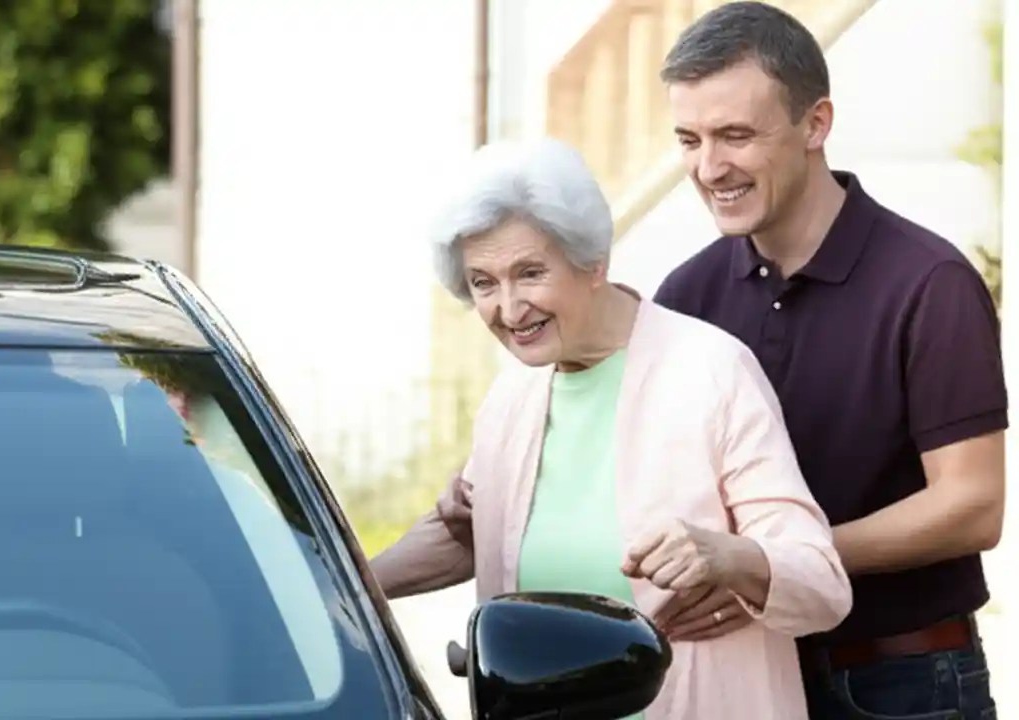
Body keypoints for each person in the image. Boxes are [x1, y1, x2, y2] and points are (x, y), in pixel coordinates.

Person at [368, 136, 852, 719]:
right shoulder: (512, 398)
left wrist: (730, 557)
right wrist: (341, 585)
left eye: (530, 273)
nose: (510, 308)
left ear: (593, 262)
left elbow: (821, 581)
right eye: (483, 282)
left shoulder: (710, 371)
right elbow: (466, 528)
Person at [649, 3, 1005, 718]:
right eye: (690, 139)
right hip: (745, 678)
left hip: (904, 684)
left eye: (736, 135)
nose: (709, 168)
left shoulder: (929, 283)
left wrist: (776, 563)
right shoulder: (685, 295)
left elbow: (972, 506)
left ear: (816, 124)